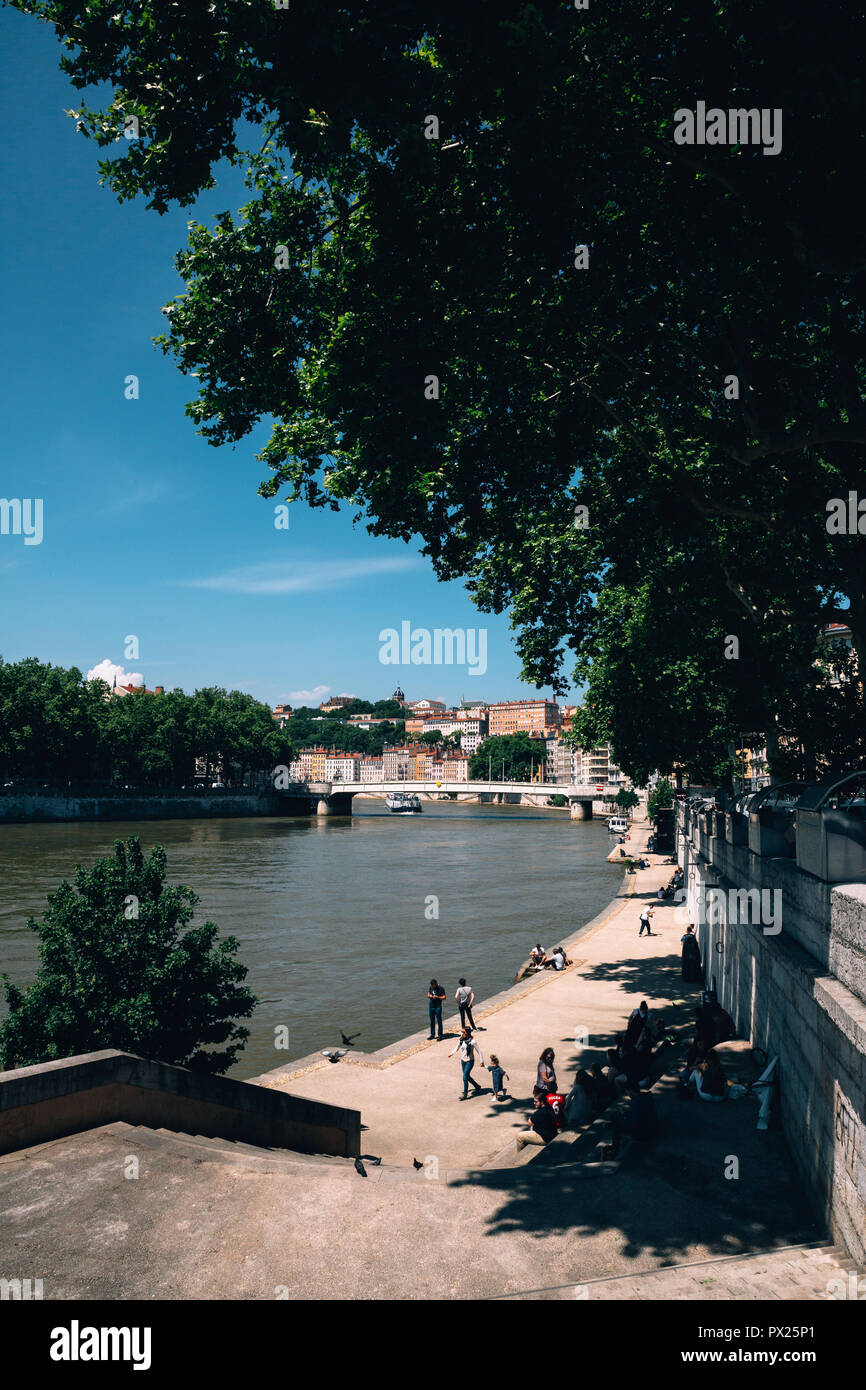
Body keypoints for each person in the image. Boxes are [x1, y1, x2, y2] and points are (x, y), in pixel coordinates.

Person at [448, 1027, 485, 1099]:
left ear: (467, 1033)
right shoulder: (461, 1039)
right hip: (463, 1061)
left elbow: (479, 1051)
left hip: (470, 1061)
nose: (462, 1033)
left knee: (464, 1077)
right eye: (461, 1032)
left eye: (463, 1032)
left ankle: (465, 1094)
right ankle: (477, 1086)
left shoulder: (473, 1041)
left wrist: (481, 1061)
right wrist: (451, 1053)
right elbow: (457, 1047)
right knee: (467, 1076)